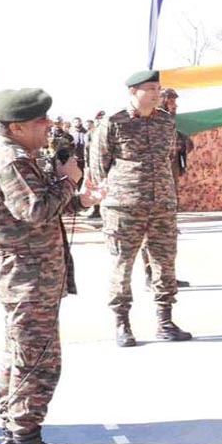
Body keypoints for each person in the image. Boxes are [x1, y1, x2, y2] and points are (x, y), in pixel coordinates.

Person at [0, 88, 99, 444]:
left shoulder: (17, 158)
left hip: (29, 275)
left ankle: (15, 440)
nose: (48, 125)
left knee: (20, 358)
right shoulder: (10, 161)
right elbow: (36, 209)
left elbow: (37, 204)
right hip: (29, 278)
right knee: (38, 363)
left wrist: (81, 199)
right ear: (17, 127)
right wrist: (69, 181)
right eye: (40, 120)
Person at [88, 70, 191, 347]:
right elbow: (99, 166)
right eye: (151, 89)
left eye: (158, 88)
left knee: (165, 263)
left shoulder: (166, 122)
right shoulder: (114, 122)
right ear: (133, 91)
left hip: (162, 204)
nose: (157, 93)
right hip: (124, 207)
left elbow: (169, 157)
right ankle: (122, 323)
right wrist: (112, 194)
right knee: (122, 265)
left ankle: (165, 321)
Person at [143, 87, 195, 289]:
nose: (175, 106)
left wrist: (183, 142)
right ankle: (151, 274)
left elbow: (182, 144)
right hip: (153, 188)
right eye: (172, 102)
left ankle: (166, 275)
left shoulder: (169, 123)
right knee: (150, 233)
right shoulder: (153, 121)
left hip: (169, 185)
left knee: (168, 235)